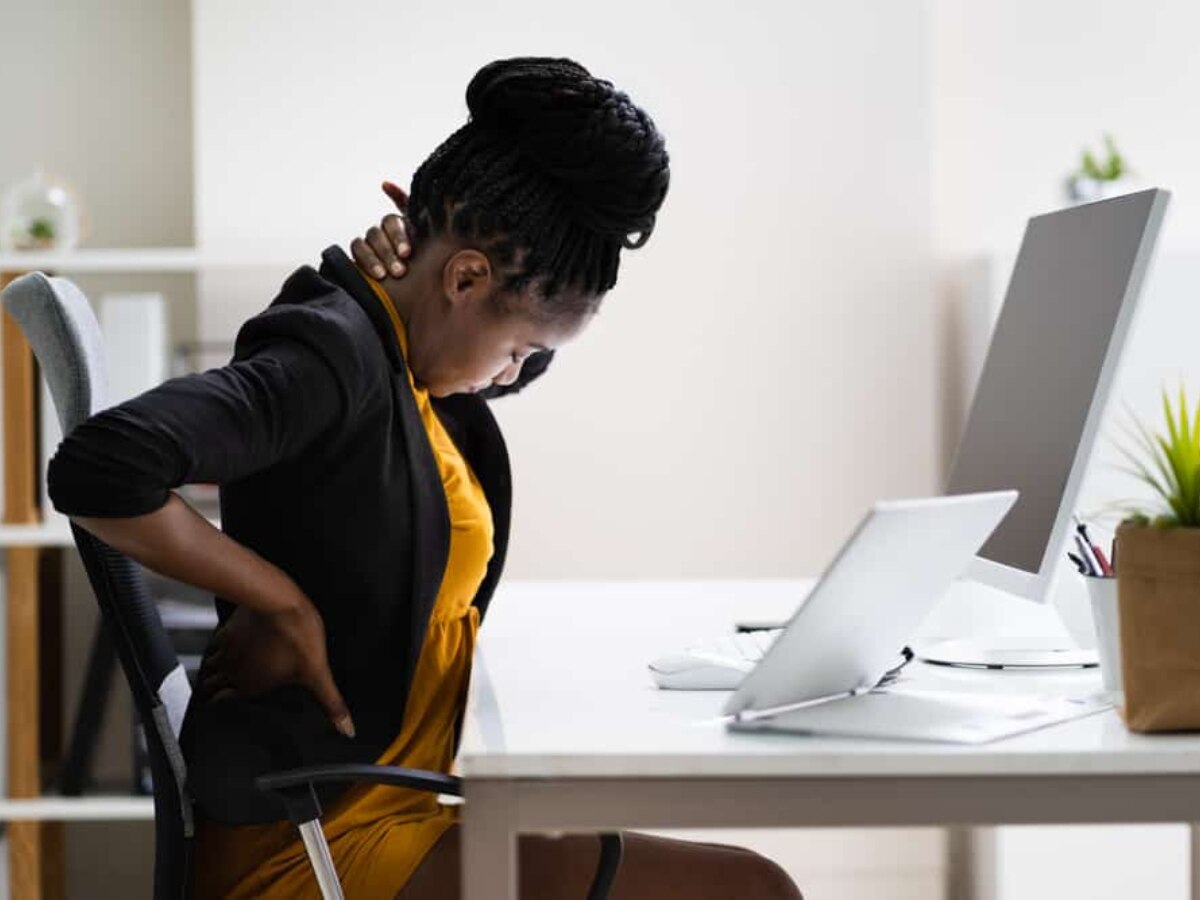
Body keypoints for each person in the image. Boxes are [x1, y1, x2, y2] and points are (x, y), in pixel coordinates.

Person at [47, 57, 802, 899]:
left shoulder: (405, 359)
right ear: (466, 277)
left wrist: (441, 280)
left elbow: (477, 355)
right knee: (752, 891)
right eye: (518, 351)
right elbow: (102, 465)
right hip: (320, 843)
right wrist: (279, 601)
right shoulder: (333, 352)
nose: (514, 374)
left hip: (398, 806)